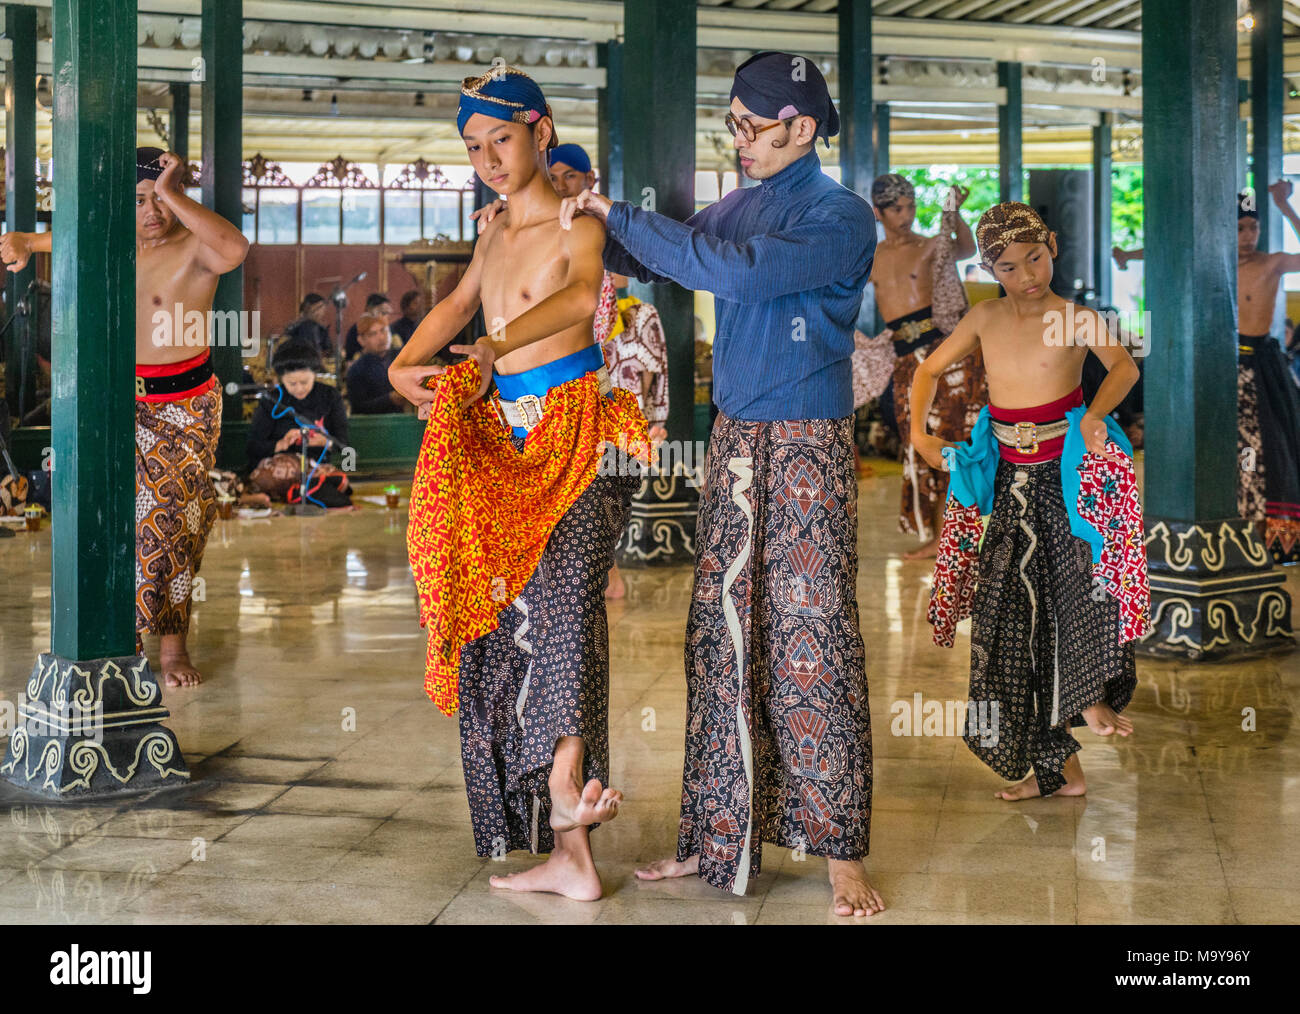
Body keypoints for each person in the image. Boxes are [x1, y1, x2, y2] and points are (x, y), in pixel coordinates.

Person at [559, 50, 882, 916]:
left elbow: (733, 271)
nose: (738, 139)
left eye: (752, 125)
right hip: (736, 443)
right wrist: (575, 196)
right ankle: (712, 839)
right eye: (732, 123)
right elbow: (668, 257)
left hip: (808, 445)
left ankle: (839, 850)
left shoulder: (840, 216)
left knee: (811, 643)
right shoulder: (737, 205)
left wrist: (622, 213)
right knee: (719, 643)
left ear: (801, 128)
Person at [389, 66, 648, 902]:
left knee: (568, 602)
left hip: (571, 435)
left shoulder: (580, 221)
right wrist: (403, 362)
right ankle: (565, 851)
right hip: (498, 439)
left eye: (500, 138)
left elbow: (579, 301)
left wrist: (499, 346)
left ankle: (568, 793)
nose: (488, 159)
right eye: (473, 146)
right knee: (499, 625)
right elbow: (461, 301)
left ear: (539, 131)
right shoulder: (491, 227)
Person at [915, 201, 1144, 801]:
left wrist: (1095, 416)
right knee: (1004, 617)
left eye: (1035, 259)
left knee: (1076, 588)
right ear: (993, 270)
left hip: (1063, 478)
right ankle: (1058, 770)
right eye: (1010, 267)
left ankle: (1089, 694)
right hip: (1006, 480)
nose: (1027, 277)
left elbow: (1122, 369)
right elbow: (927, 372)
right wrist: (919, 433)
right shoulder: (986, 317)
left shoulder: (1075, 317)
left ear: (1053, 247)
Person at [1, 147, 249, 687]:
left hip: (186, 406)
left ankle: (172, 652)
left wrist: (170, 190)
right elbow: (61, 239)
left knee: (174, 525)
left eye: (159, 200)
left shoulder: (198, 250)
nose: (151, 213)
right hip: (118, 402)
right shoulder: (115, 244)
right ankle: (125, 641)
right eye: (139, 201)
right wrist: (22, 240)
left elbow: (236, 246)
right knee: (115, 523)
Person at [1114, 181, 1300, 562]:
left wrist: (1285, 206)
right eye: (1238, 228)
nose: (1249, 237)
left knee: (1270, 445)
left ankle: (1271, 535)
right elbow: (1165, 252)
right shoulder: (1209, 261)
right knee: (1221, 448)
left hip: (1261, 368)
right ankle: (1226, 527)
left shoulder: (1271, 263)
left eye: (1254, 228)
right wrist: (1126, 255)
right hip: (1217, 367)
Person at [865, 173, 988, 560]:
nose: (907, 215)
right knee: (918, 445)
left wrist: (955, 213)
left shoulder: (930, 246)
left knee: (954, 442)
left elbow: (966, 248)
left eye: (912, 206)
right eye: (897, 209)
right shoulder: (871, 258)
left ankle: (965, 537)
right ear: (878, 213)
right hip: (904, 361)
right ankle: (938, 537)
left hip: (945, 353)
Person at [246, 345, 351, 503]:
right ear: (281, 379)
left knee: (339, 482)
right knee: (274, 477)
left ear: (314, 374)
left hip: (315, 468)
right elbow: (252, 447)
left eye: (304, 382)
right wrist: (280, 444)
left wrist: (326, 442)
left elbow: (344, 443)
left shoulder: (330, 396)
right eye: (292, 384)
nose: (299, 389)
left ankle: (297, 493)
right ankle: (302, 492)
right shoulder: (271, 400)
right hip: (278, 470)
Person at [345, 313, 403, 415]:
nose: (381, 337)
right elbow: (358, 407)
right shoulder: (357, 370)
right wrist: (389, 399)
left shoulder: (403, 357)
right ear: (361, 340)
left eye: (384, 331)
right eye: (373, 334)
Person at [342, 292, 394, 362]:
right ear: (369, 309)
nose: (385, 316)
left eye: (387, 313)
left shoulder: (385, 326)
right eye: (382, 312)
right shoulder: (358, 328)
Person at [281, 293, 332, 359]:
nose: (322, 312)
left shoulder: (321, 328)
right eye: (319, 308)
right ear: (307, 308)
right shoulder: (301, 326)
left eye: (323, 308)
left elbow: (328, 349)